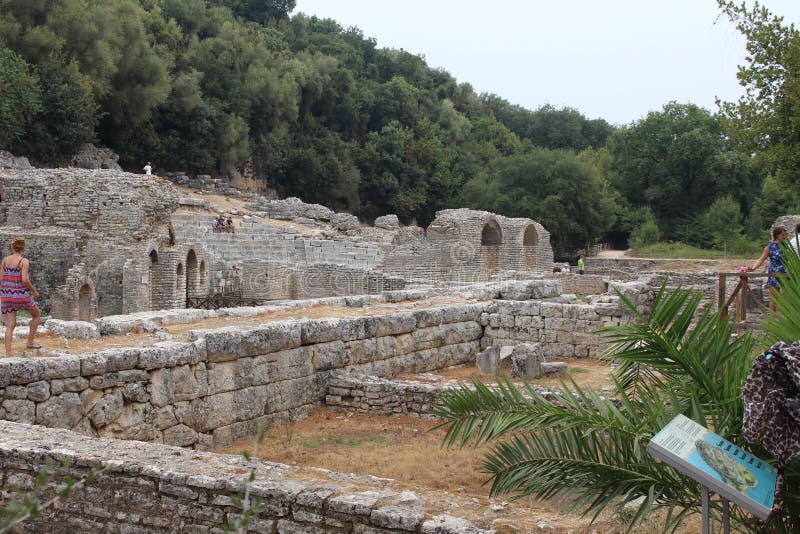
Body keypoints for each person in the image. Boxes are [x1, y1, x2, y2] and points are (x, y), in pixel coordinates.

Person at [1, 237, 42, 356]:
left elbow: (1, 278)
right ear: (23, 248)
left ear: (12, 247)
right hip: (20, 296)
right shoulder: (24, 261)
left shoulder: (5, 260)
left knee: (10, 325)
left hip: (6, 296)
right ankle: (30, 342)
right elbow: (24, 279)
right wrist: (34, 291)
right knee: (36, 314)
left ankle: (8, 353)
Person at [749, 225, 788, 311]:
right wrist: (753, 268)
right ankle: (773, 318)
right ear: (777, 235)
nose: (784, 236)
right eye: (783, 234)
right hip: (774, 273)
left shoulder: (786, 246)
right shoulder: (769, 247)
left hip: (786, 273)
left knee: (788, 296)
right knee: (774, 297)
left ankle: (787, 317)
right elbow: (761, 259)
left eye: (785, 234)